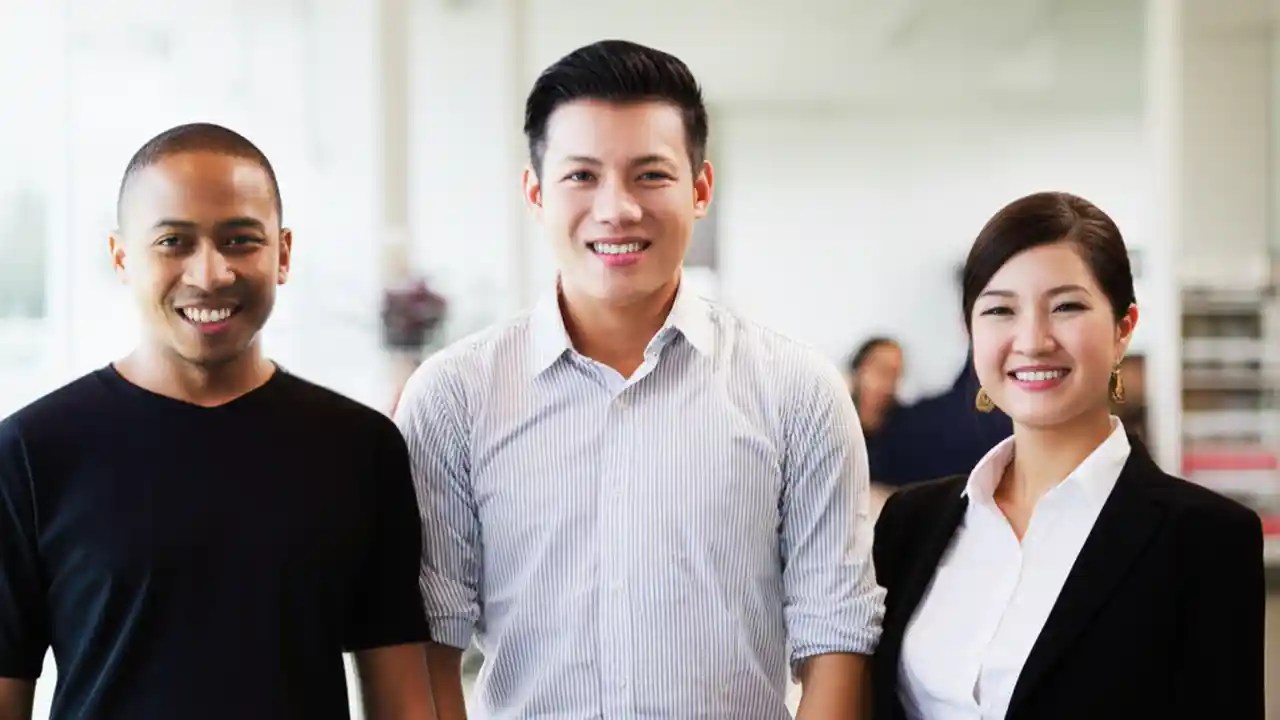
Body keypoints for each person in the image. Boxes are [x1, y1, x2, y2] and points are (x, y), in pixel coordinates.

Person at [395, 40, 884, 719]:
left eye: (650, 174)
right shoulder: (453, 397)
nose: (617, 209)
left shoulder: (796, 391)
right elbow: (430, 641)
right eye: (582, 176)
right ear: (535, 193)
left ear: (701, 189)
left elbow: (836, 635)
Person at [0, 123, 436, 719]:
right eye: (173, 242)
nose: (209, 273)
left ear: (282, 254)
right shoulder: (31, 451)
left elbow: (403, 701)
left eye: (239, 240)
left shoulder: (360, 450)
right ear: (122, 257)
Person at [871, 191, 1264, 719]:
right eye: (1000, 310)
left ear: (1124, 328)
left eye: (1066, 307)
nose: (1032, 340)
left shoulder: (1205, 538)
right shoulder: (911, 523)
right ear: (971, 332)